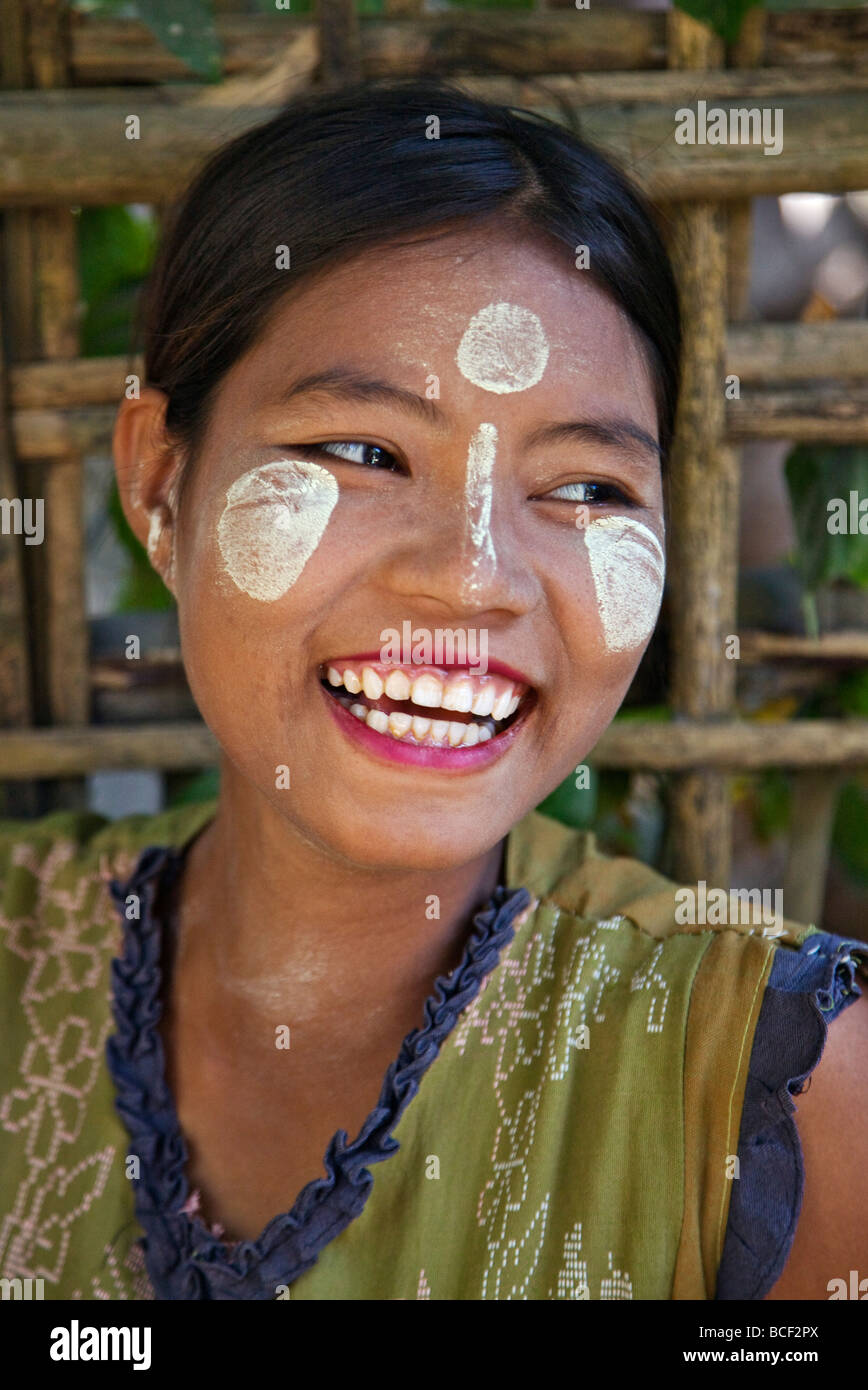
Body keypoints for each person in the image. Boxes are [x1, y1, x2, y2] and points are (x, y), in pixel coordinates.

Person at [1, 77, 865, 1302]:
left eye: (584, 488)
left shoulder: (782, 1091)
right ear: (159, 482)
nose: (472, 582)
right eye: (362, 453)